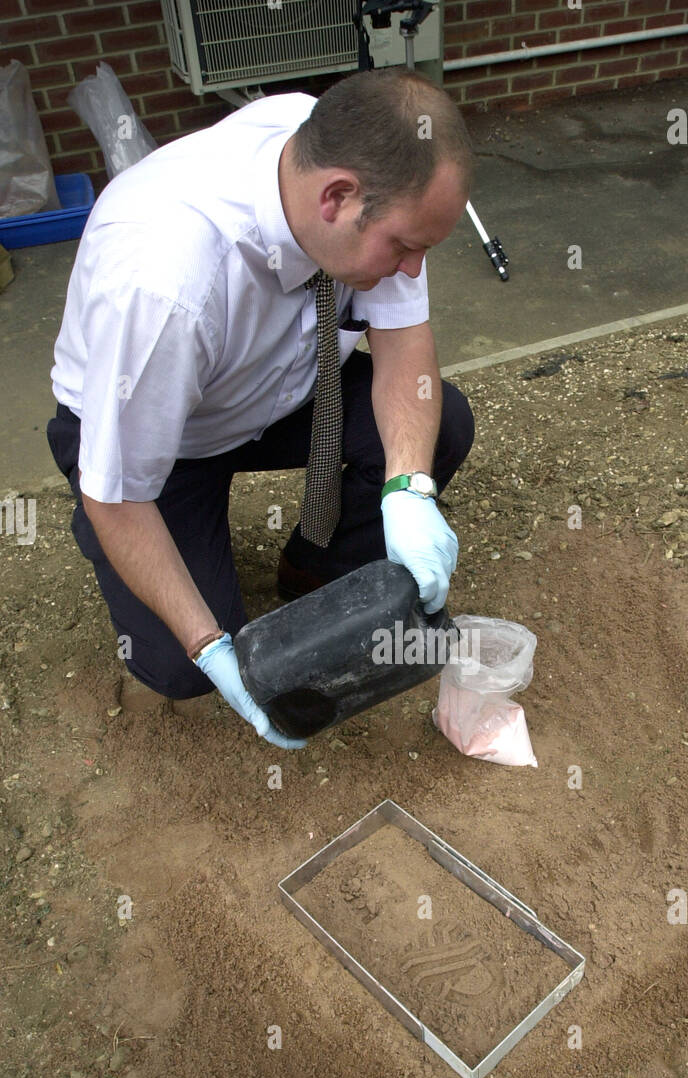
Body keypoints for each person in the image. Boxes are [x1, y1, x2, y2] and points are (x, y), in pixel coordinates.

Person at [46, 67, 476, 749]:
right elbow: (119, 497)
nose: (412, 270)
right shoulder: (164, 286)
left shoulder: (328, 145)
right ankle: (145, 575)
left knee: (440, 425)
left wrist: (408, 488)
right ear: (336, 197)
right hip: (158, 435)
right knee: (179, 669)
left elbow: (403, 343)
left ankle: (316, 565)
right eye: (404, 247)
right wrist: (208, 643)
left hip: (279, 385)